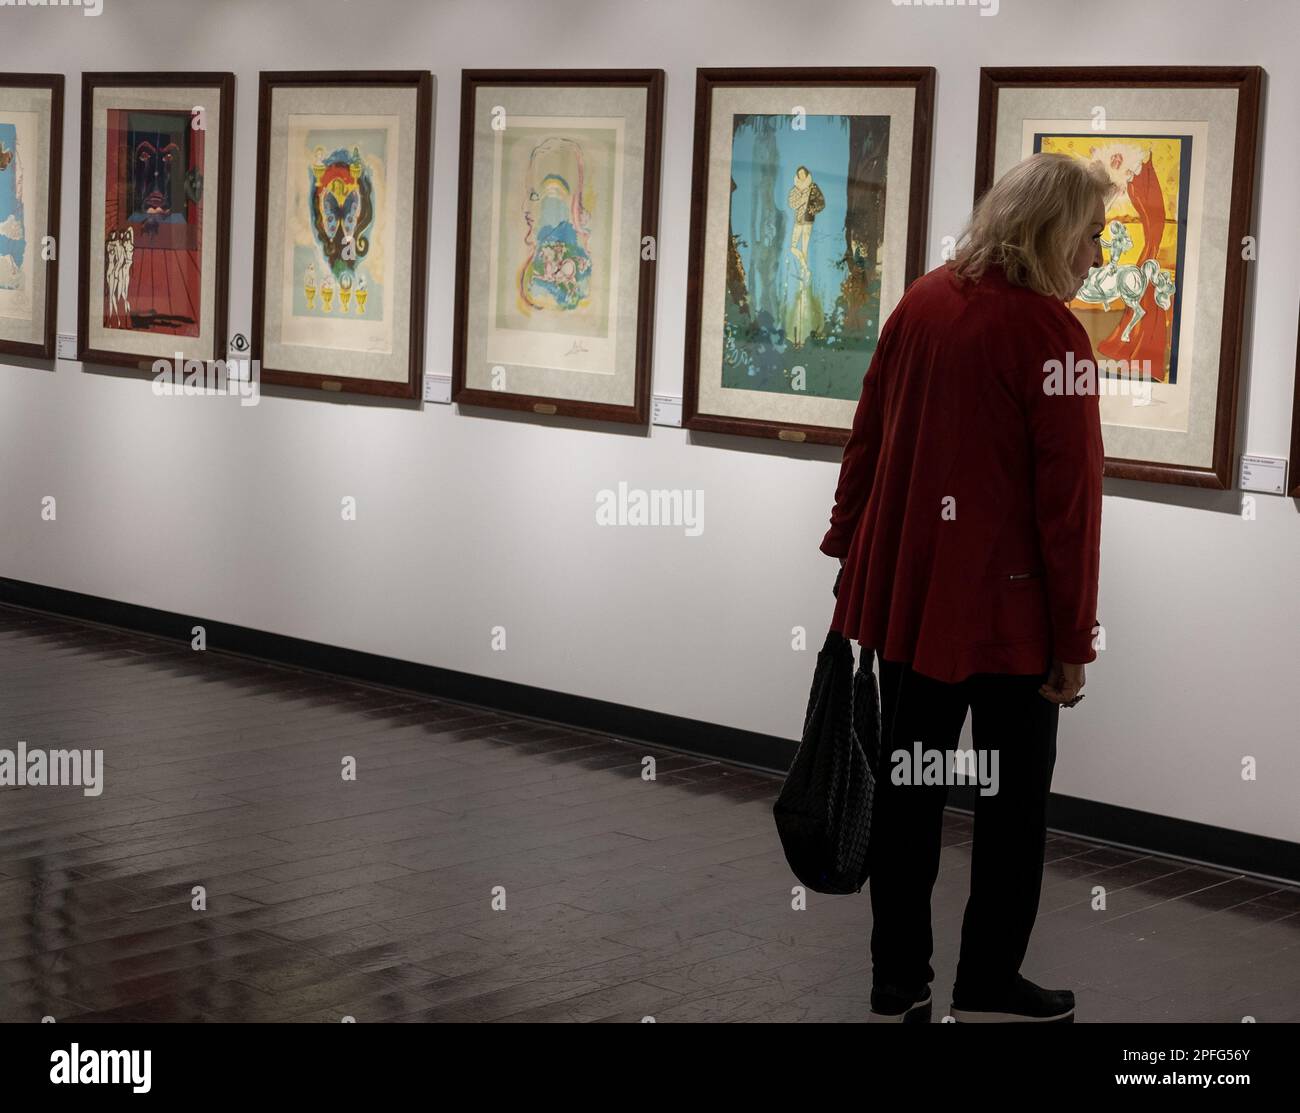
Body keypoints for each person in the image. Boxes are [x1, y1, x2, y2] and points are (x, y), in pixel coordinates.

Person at [818, 152, 1109, 1023]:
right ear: (1054, 230)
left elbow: (865, 434)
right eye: (1092, 234)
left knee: (908, 792)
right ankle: (987, 975)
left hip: (914, 604)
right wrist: (1074, 642)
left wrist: (848, 546)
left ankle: (897, 977)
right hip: (1011, 622)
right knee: (1011, 806)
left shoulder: (921, 301)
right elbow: (1071, 509)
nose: (1097, 253)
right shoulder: (1054, 338)